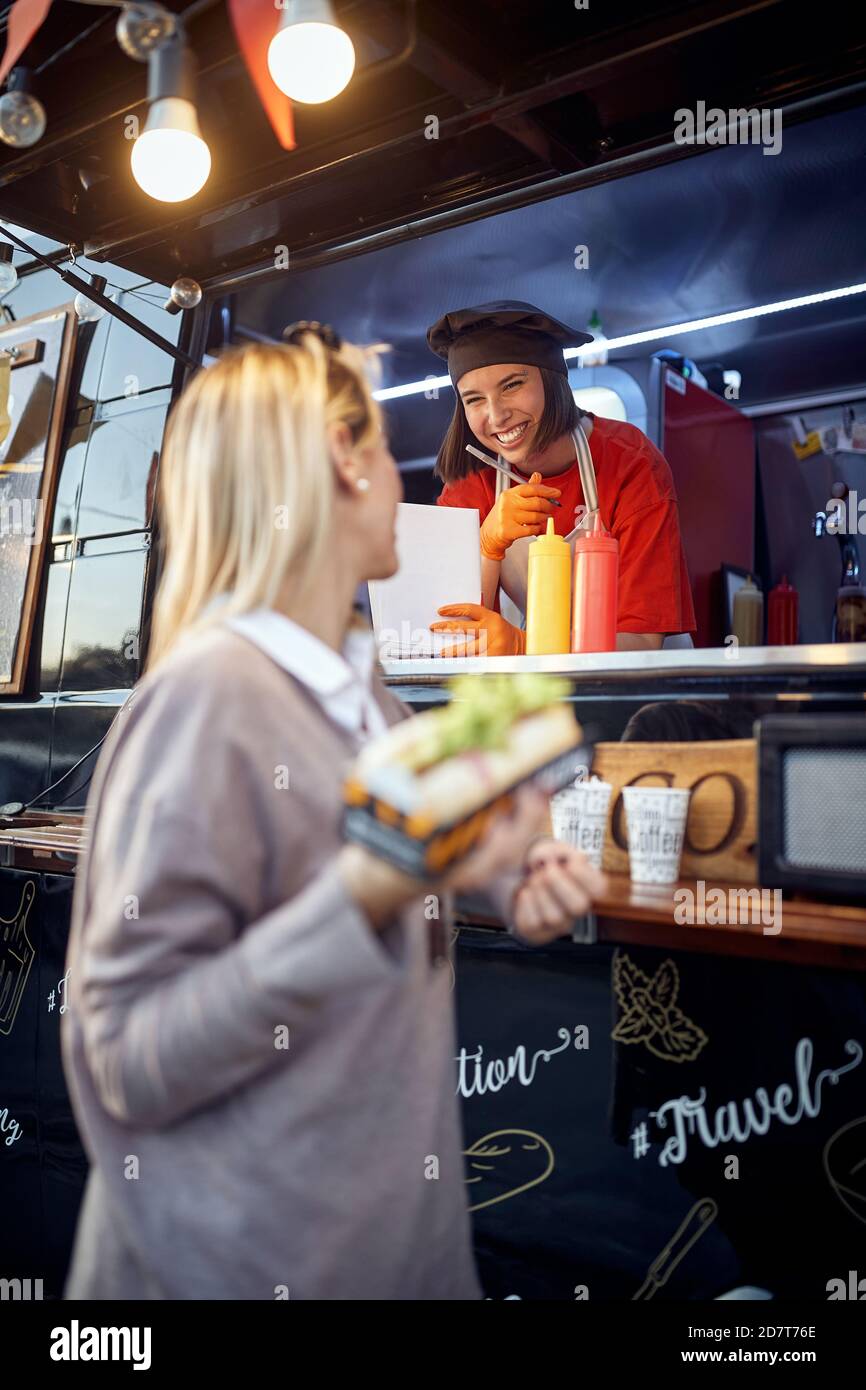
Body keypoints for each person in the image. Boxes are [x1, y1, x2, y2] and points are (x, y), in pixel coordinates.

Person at [60, 325, 604, 1301]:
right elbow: (125, 1060)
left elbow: (410, 839)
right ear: (341, 466)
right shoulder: (206, 697)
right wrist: (361, 891)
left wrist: (517, 876)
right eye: (379, 446)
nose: (404, 475)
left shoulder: (364, 694)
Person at [426, 301, 696, 654]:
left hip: (640, 688)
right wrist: (486, 546)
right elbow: (450, 632)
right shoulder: (471, 480)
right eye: (475, 400)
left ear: (553, 381)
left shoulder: (631, 463)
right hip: (540, 687)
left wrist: (524, 646)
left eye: (511, 386)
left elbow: (642, 642)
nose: (497, 416)